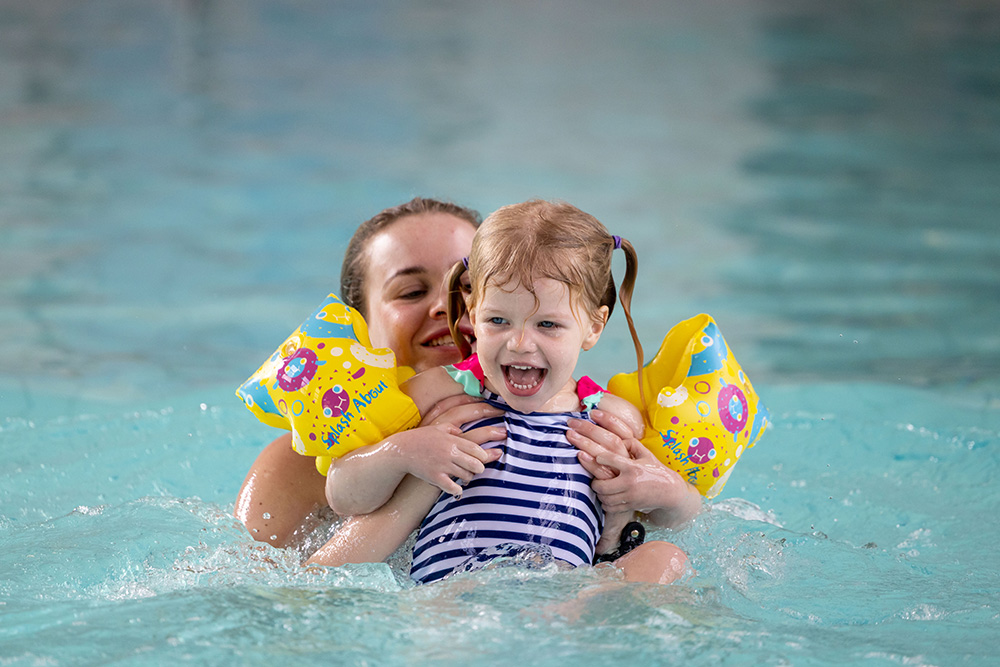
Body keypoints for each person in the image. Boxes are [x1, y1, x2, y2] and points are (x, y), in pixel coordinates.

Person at [306, 200, 693, 584]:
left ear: (593, 327)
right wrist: (403, 452)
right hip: (452, 598)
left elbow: (674, 522)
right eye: (498, 320)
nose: (520, 343)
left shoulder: (611, 418)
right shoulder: (436, 393)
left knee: (665, 557)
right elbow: (343, 494)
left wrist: (669, 493)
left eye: (548, 325)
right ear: (473, 314)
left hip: (562, 604)